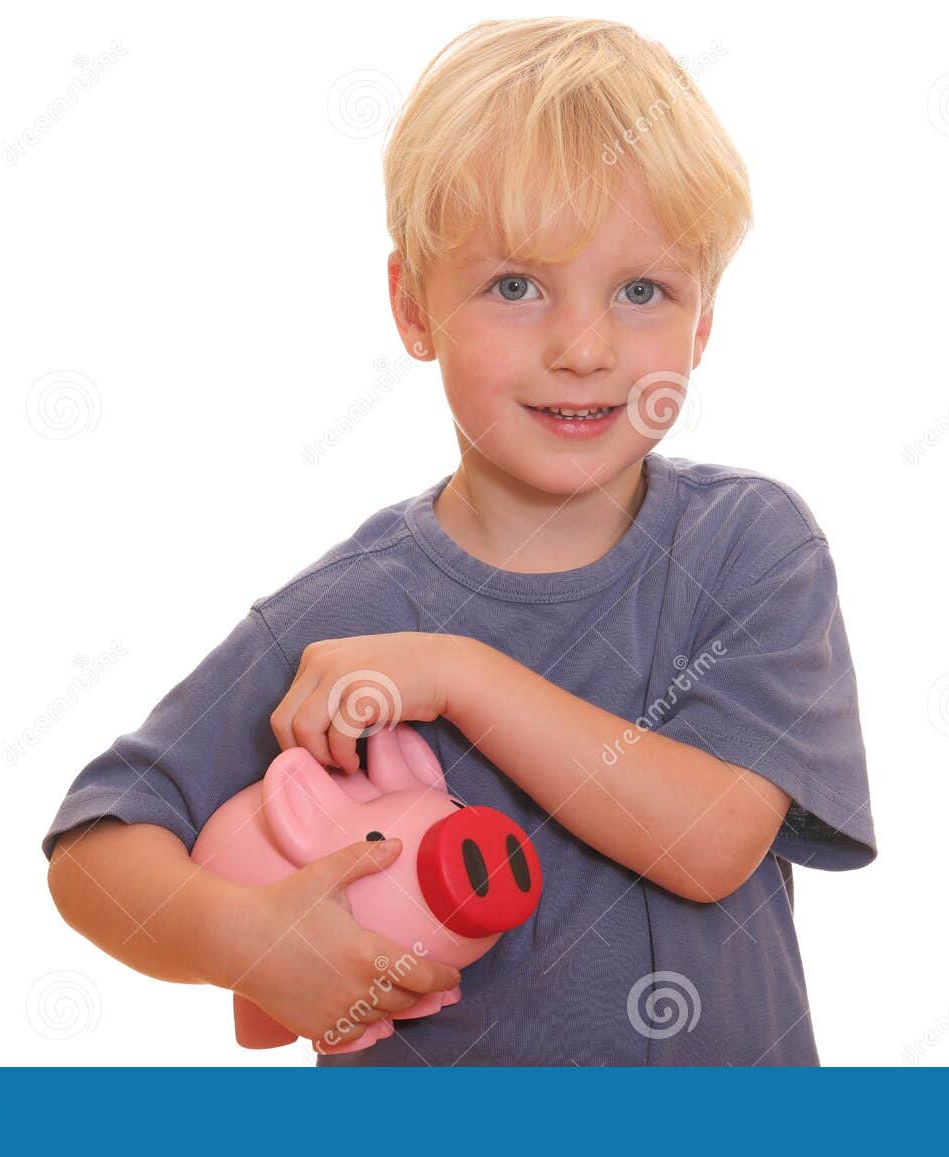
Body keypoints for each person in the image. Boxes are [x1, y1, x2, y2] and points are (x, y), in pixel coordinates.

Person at [43, 16, 876, 1066]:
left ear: (701, 323)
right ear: (412, 306)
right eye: (515, 286)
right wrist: (247, 939)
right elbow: (97, 844)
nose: (582, 347)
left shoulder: (749, 548)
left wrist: (458, 675)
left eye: (642, 291)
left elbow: (708, 840)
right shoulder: (346, 615)